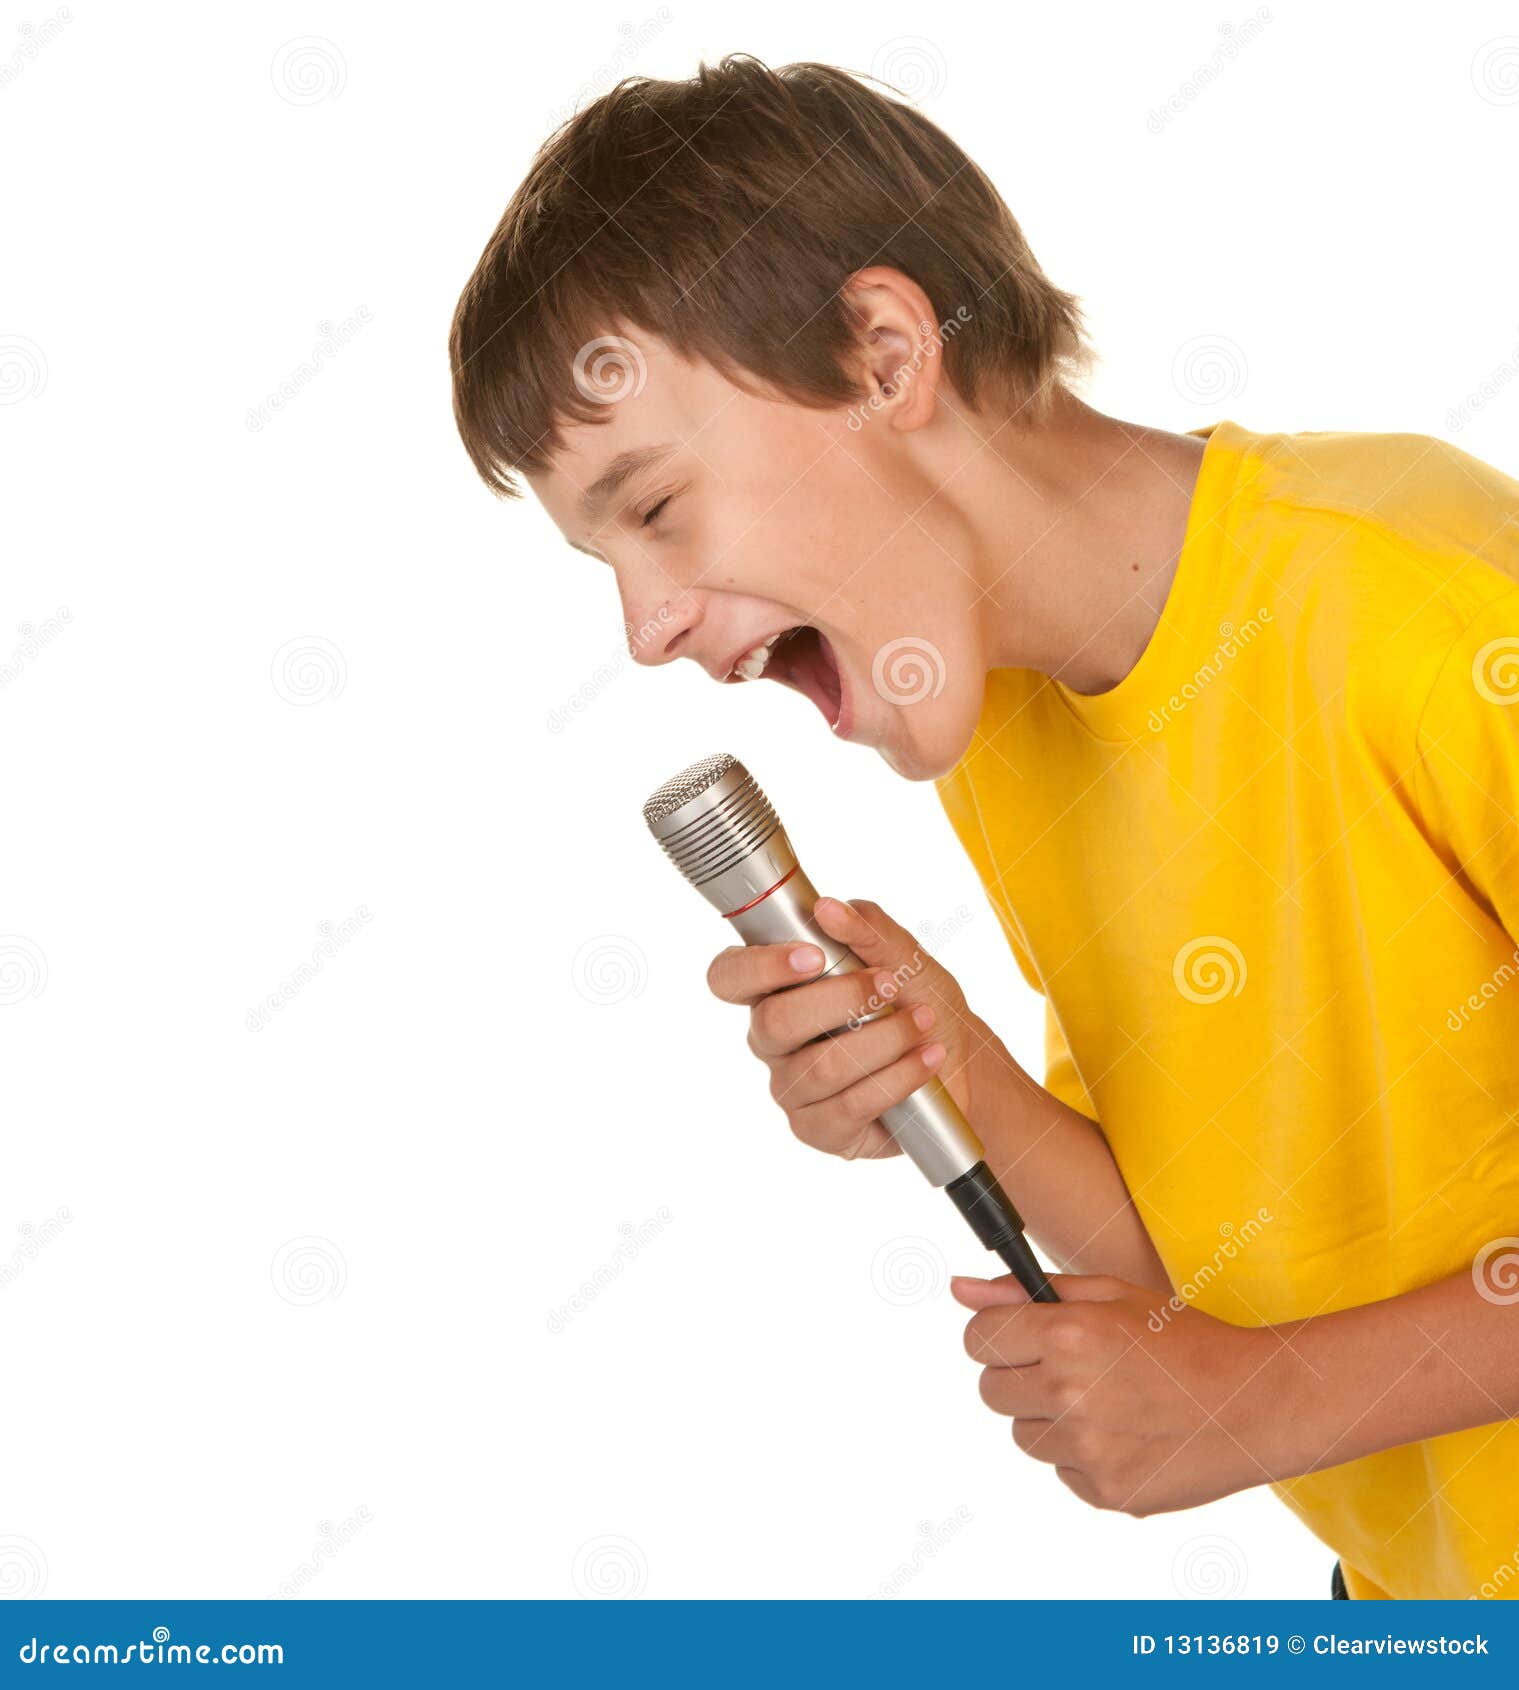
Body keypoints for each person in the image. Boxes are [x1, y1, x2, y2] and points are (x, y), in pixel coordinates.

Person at [449, 53, 1519, 1600]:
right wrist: (950, 1069)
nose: (647, 626)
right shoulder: (1001, 723)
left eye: (657, 508)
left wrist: (1271, 1399)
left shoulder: (1423, 606)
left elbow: (1267, 1362)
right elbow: (1208, 1246)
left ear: (885, 353)